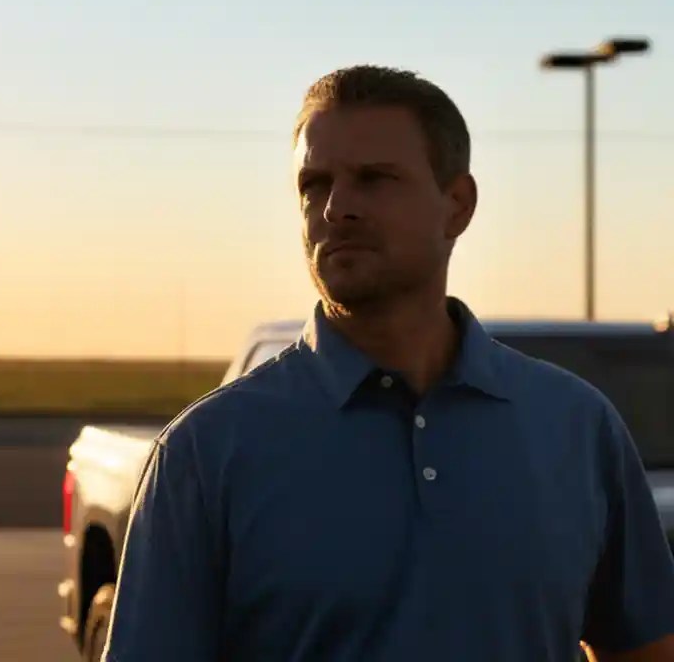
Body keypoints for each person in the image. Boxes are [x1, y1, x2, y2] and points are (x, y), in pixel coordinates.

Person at [102, 65, 674, 661]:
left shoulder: (575, 427)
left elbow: (645, 649)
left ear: (457, 205)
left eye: (374, 179)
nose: (335, 209)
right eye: (315, 184)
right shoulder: (205, 454)